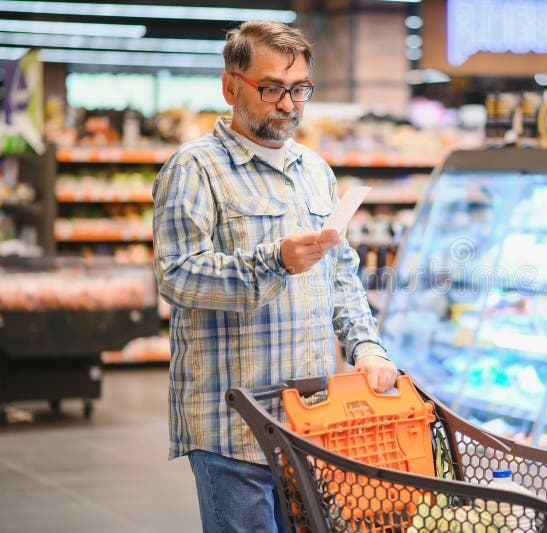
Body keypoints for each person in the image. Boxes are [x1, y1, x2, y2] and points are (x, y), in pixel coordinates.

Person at [151, 20, 397, 533]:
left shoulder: (315, 170)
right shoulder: (195, 168)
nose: (288, 105)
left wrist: (367, 349)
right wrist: (274, 262)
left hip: (309, 423)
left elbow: (342, 274)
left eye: (299, 89)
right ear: (231, 86)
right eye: (271, 89)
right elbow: (177, 275)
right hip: (233, 430)